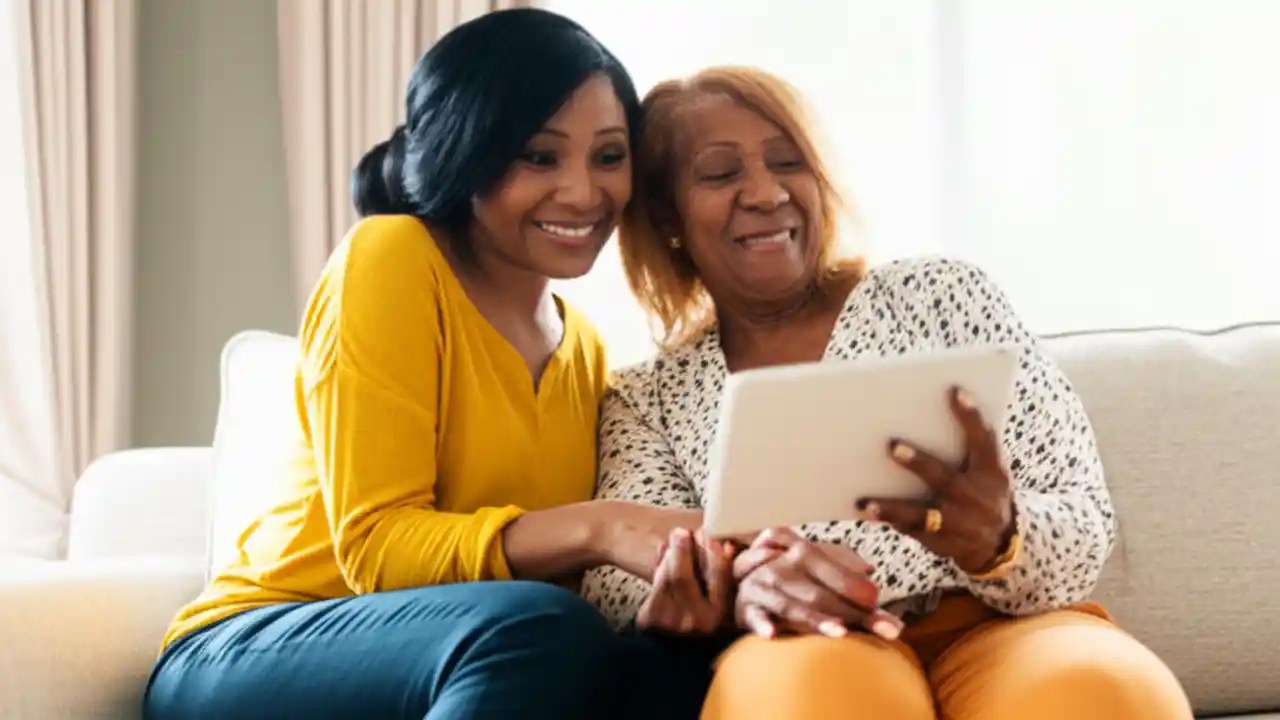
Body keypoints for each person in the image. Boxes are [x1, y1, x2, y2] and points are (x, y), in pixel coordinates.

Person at [582, 66, 1193, 720]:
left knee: (1099, 693)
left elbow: (1083, 516)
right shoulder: (648, 397)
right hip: (805, 640)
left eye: (788, 162)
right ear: (668, 214)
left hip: (1005, 626)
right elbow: (613, 588)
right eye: (721, 173)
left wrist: (1001, 537)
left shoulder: (942, 296)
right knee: (809, 702)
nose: (766, 192)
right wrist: (722, 589)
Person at [144, 10, 698, 719]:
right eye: (539, 156)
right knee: (534, 628)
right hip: (253, 648)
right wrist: (604, 527)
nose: (584, 192)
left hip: (467, 656)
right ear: (467, 151)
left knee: (668, 667)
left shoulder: (583, 348)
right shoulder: (394, 257)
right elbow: (377, 552)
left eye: (609, 156)